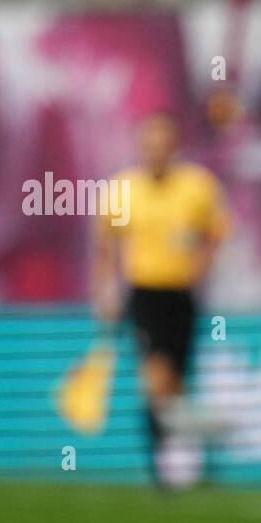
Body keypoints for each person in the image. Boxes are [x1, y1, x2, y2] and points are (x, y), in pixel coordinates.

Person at [93, 111, 229, 486]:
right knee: (156, 374)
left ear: (174, 148)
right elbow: (106, 245)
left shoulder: (196, 186)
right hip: (144, 292)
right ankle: (162, 460)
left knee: (177, 380)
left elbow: (215, 231)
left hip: (181, 293)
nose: (155, 152)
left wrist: (201, 265)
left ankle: (177, 455)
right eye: (149, 144)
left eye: (162, 144)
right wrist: (104, 291)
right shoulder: (123, 188)